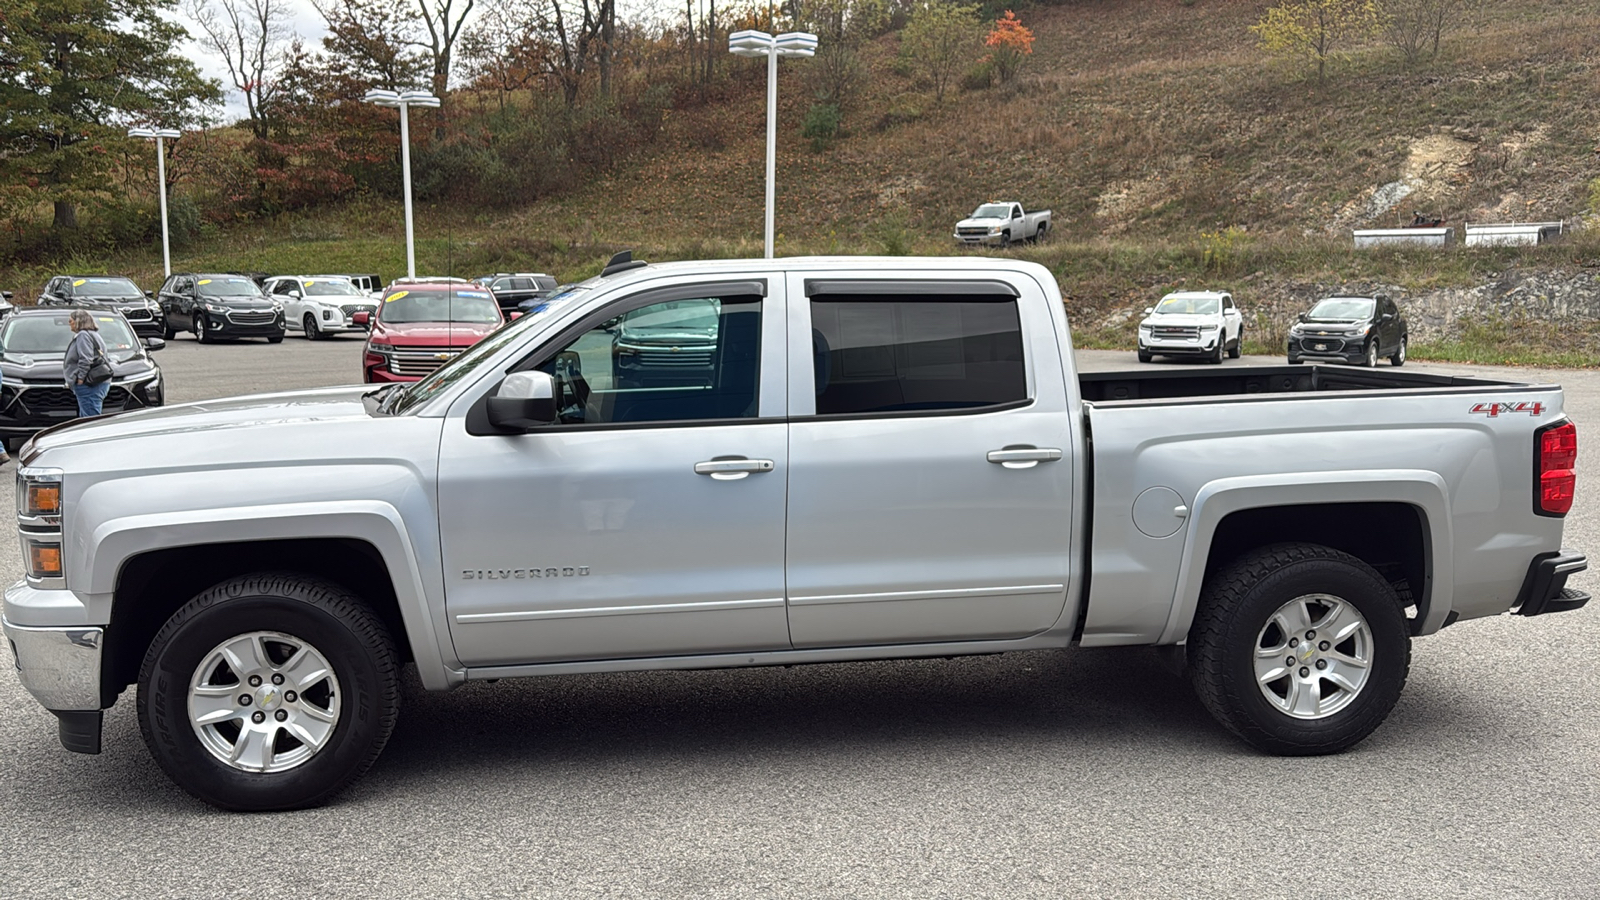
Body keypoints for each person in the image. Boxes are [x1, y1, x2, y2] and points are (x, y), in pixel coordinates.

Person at [64, 309, 112, 418]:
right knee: (88, 416)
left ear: (78, 321)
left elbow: (86, 359)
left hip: (89, 384)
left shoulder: (83, 335)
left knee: (89, 419)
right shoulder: (94, 334)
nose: (69, 323)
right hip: (98, 382)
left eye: (70, 321)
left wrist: (80, 379)